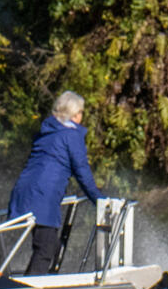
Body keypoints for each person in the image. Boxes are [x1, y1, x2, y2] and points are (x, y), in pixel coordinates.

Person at [7, 91, 105, 275]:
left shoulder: (47, 132)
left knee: (52, 246)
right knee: (45, 250)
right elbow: (83, 172)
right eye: (81, 113)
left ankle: (41, 286)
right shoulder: (71, 135)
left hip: (23, 193)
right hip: (42, 198)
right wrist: (100, 200)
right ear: (76, 115)